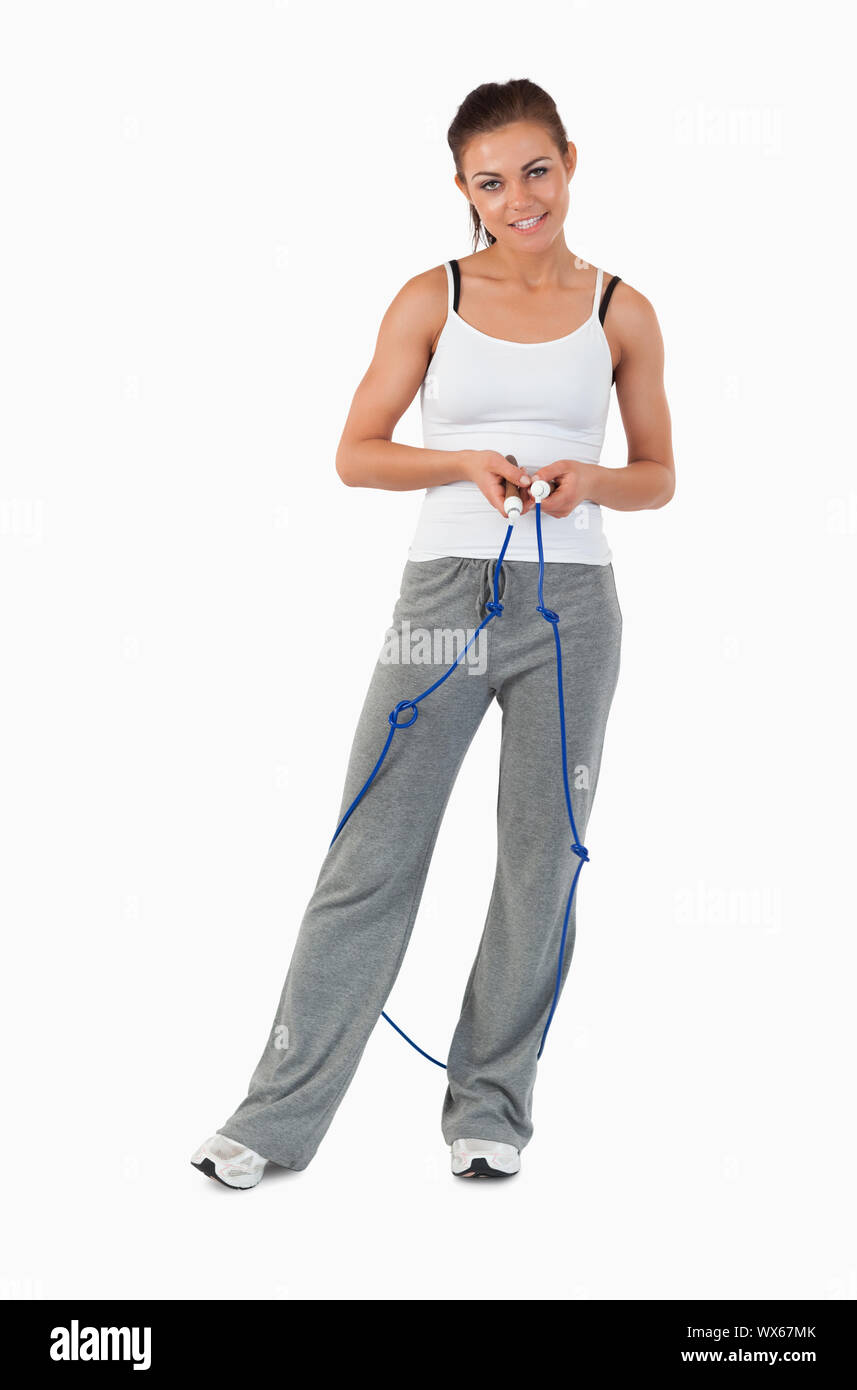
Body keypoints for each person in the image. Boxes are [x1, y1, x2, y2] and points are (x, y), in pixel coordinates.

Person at [191, 77, 674, 1189]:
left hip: (576, 613)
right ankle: (272, 1119)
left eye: (534, 171)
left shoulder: (621, 310)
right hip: (441, 604)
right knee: (372, 849)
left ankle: (491, 1111)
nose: (517, 198)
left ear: (568, 161)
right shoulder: (430, 296)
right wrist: (460, 459)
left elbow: (656, 474)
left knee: (538, 860)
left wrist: (590, 478)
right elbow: (357, 450)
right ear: (462, 188)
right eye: (490, 181)